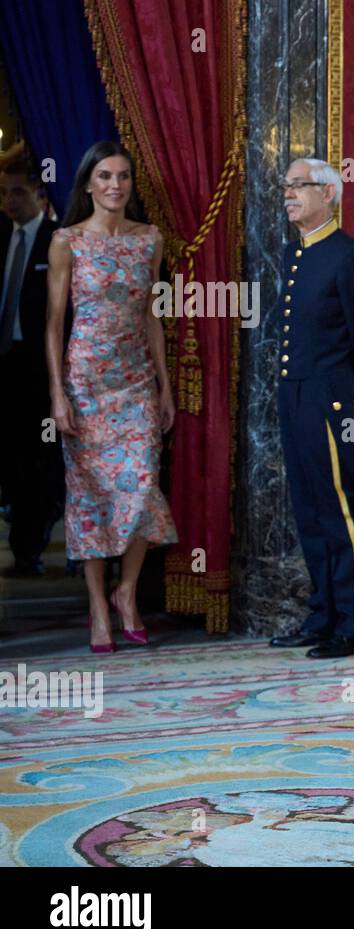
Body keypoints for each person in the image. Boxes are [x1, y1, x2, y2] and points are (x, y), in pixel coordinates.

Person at [45, 142, 178, 652]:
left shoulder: (150, 240)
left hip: (136, 383)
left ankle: (127, 592)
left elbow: (152, 316)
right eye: (104, 177)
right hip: (85, 385)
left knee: (142, 486)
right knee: (91, 498)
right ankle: (99, 605)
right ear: (87, 184)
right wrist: (58, 393)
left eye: (123, 176)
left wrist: (164, 385)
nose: (115, 186)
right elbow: (54, 326)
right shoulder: (67, 242)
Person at [266, 158, 354, 659]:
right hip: (296, 396)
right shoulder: (298, 256)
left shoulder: (348, 257)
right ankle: (323, 615)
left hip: (335, 400)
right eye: (287, 186)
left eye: (301, 185)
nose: (290, 193)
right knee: (311, 509)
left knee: (343, 510)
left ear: (330, 194)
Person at [0, 161, 64, 578]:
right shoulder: (0, 236)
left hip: (37, 368)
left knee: (37, 457)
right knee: (9, 454)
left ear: (39, 195)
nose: (9, 201)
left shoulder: (54, 242)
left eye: (17, 192)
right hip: (2, 364)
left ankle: (29, 546)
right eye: (4, 192)